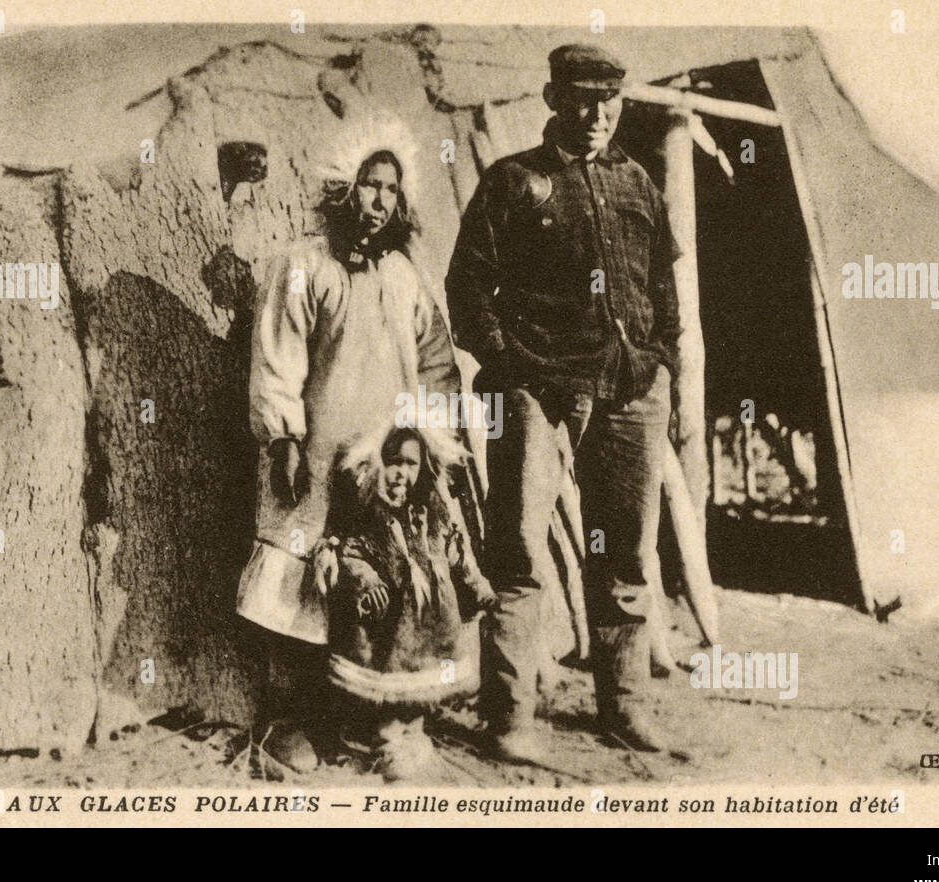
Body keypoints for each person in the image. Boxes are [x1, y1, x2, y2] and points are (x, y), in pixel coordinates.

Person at [445, 43, 683, 762]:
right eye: (581, 99)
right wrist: (515, 368)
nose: (596, 114)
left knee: (627, 556)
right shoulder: (513, 180)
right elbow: (466, 292)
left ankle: (626, 707)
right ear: (553, 100)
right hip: (536, 394)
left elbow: (663, 294)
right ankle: (510, 719)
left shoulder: (638, 182)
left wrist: (660, 362)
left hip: (629, 392)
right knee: (517, 553)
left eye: (609, 100)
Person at [237, 116, 460, 773]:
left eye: (392, 189)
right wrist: (282, 438)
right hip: (316, 460)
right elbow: (277, 357)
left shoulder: (405, 279)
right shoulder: (303, 266)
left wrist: (438, 445)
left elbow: (438, 366)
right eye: (370, 184)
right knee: (302, 589)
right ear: (344, 189)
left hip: (384, 469)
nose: (381, 200)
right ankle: (288, 724)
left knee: (387, 583)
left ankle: (385, 727)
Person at [314, 424, 495, 781]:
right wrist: (367, 582)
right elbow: (351, 553)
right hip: (389, 627)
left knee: (419, 688)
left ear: (425, 468)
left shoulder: (433, 513)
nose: (402, 474)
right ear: (377, 464)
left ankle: (413, 735)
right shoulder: (368, 515)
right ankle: (386, 743)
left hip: (429, 626)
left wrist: (475, 584)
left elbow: (457, 553)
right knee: (389, 686)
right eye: (393, 462)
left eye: (411, 464)